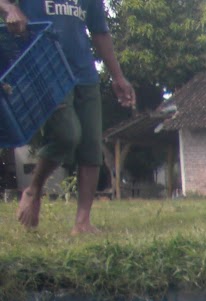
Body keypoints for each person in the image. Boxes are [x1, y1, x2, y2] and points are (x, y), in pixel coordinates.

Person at [3, 0, 134, 233]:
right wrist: (11, 9)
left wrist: (118, 76)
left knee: (91, 147)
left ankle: (82, 222)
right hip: (46, 68)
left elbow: (99, 32)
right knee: (67, 135)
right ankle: (34, 189)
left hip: (85, 73)